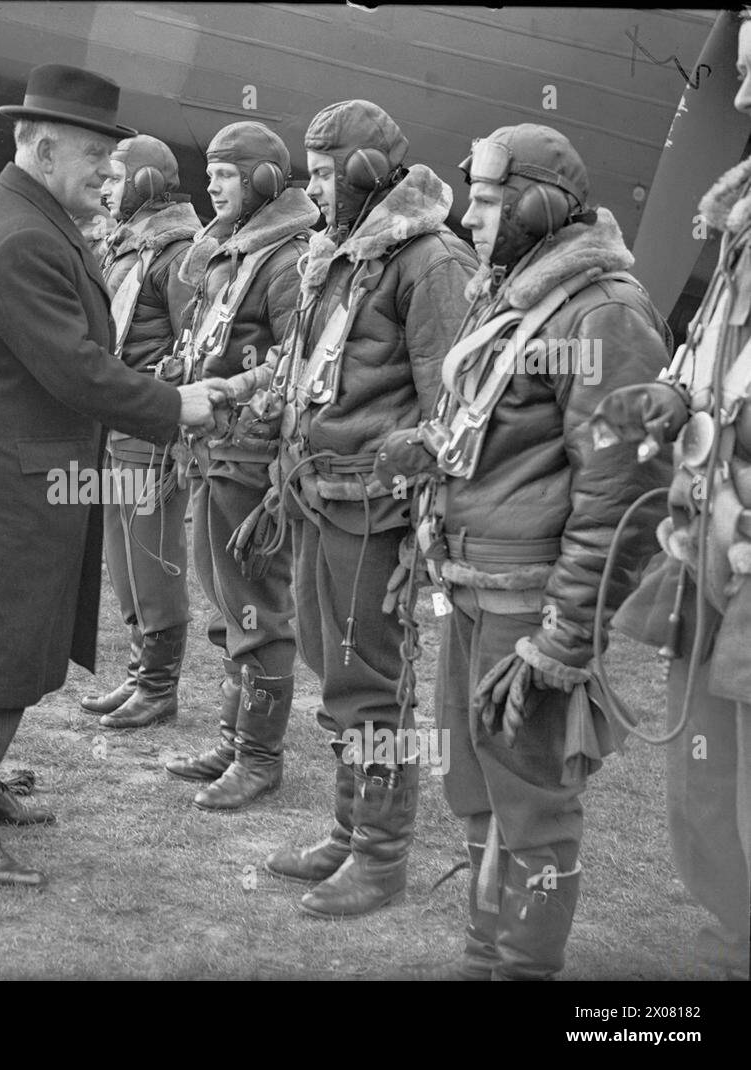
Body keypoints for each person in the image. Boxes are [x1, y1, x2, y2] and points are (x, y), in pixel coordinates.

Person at [0, 64, 222, 889]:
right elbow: (76, 371)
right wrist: (182, 404)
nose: (111, 171)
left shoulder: (15, 215)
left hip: (8, 474)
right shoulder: (24, 235)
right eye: (98, 155)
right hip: (6, 486)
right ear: (44, 145)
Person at [379, 124, 671, 979]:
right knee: (474, 790)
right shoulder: (515, 294)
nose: (471, 217)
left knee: (533, 803)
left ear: (539, 205)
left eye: (490, 200)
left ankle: (520, 969)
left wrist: (564, 637)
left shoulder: (604, 314)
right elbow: (505, 430)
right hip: (473, 584)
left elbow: (624, 495)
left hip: (530, 606)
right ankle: (484, 957)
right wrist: (433, 445)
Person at [215, 101, 476, 916]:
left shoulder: (429, 261)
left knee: (372, 683)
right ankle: (347, 829)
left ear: (366, 173)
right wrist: (243, 397)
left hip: (376, 510)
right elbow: (302, 365)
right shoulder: (343, 255)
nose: (314, 188)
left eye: (326, 174)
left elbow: (453, 404)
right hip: (319, 496)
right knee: (337, 677)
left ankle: (380, 855)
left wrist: (433, 509)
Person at [596, 13, 751, 981]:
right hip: (708, 548)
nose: (738, 100)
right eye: (740, 78)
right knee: (700, 778)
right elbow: (718, 369)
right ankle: (734, 925)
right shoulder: (737, 228)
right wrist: (673, 394)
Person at [161, 121, 319, 811]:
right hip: (214, 452)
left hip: (251, 459)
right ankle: (234, 740)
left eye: (226, 173)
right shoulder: (232, 251)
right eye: (212, 171)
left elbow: (296, 361)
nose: (211, 184)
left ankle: (258, 759)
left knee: (256, 608)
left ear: (261, 180)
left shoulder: (288, 259)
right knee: (228, 608)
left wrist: (239, 406)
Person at [80, 135, 201, 730]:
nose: (104, 183)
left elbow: (196, 347)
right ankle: (139, 674)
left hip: (150, 428)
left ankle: (159, 687)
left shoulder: (177, 253)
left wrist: (178, 429)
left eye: (117, 174)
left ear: (147, 183)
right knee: (124, 560)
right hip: (117, 422)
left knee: (153, 559)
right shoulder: (126, 245)